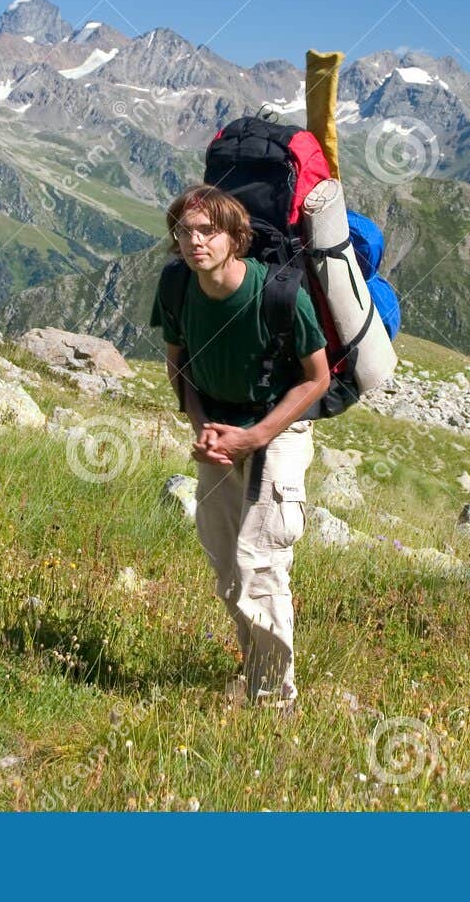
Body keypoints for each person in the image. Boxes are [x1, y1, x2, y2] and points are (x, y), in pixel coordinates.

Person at [149, 184, 331, 709]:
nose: (194, 241)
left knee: (261, 560)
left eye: (208, 231)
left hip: (278, 428)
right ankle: (256, 673)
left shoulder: (279, 295)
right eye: (185, 231)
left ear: (235, 236)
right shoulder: (177, 285)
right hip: (219, 430)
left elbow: (316, 379)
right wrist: (202, 428)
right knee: (229, 566)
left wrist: (255, 436)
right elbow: (180, 366)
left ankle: (274, 701)